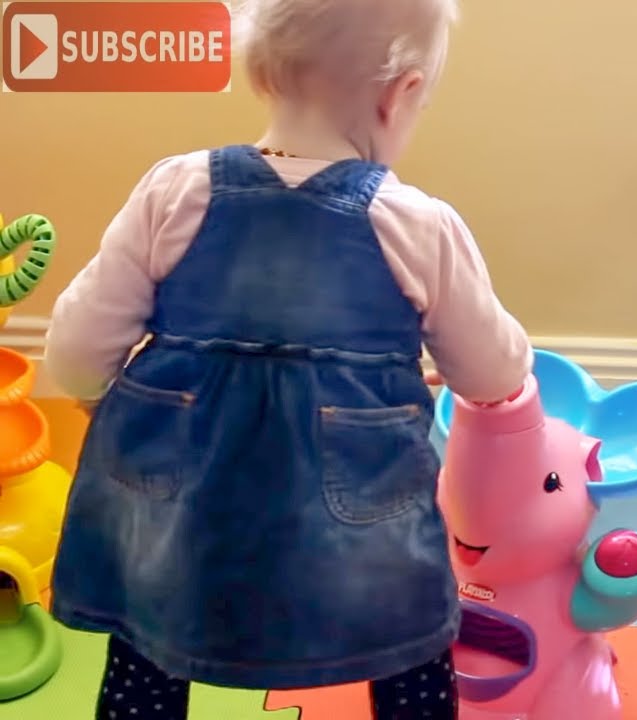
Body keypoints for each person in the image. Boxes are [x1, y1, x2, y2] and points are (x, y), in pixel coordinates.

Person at [42, 0, 532, 717]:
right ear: (402, 95)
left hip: (179, 528)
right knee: (414, 637)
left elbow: (77, 353)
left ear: (264, 74)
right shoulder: (417, 224)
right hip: (355, 540)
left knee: (145, 628)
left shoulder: (173, 190)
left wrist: (95, 394)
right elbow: (495, 373)